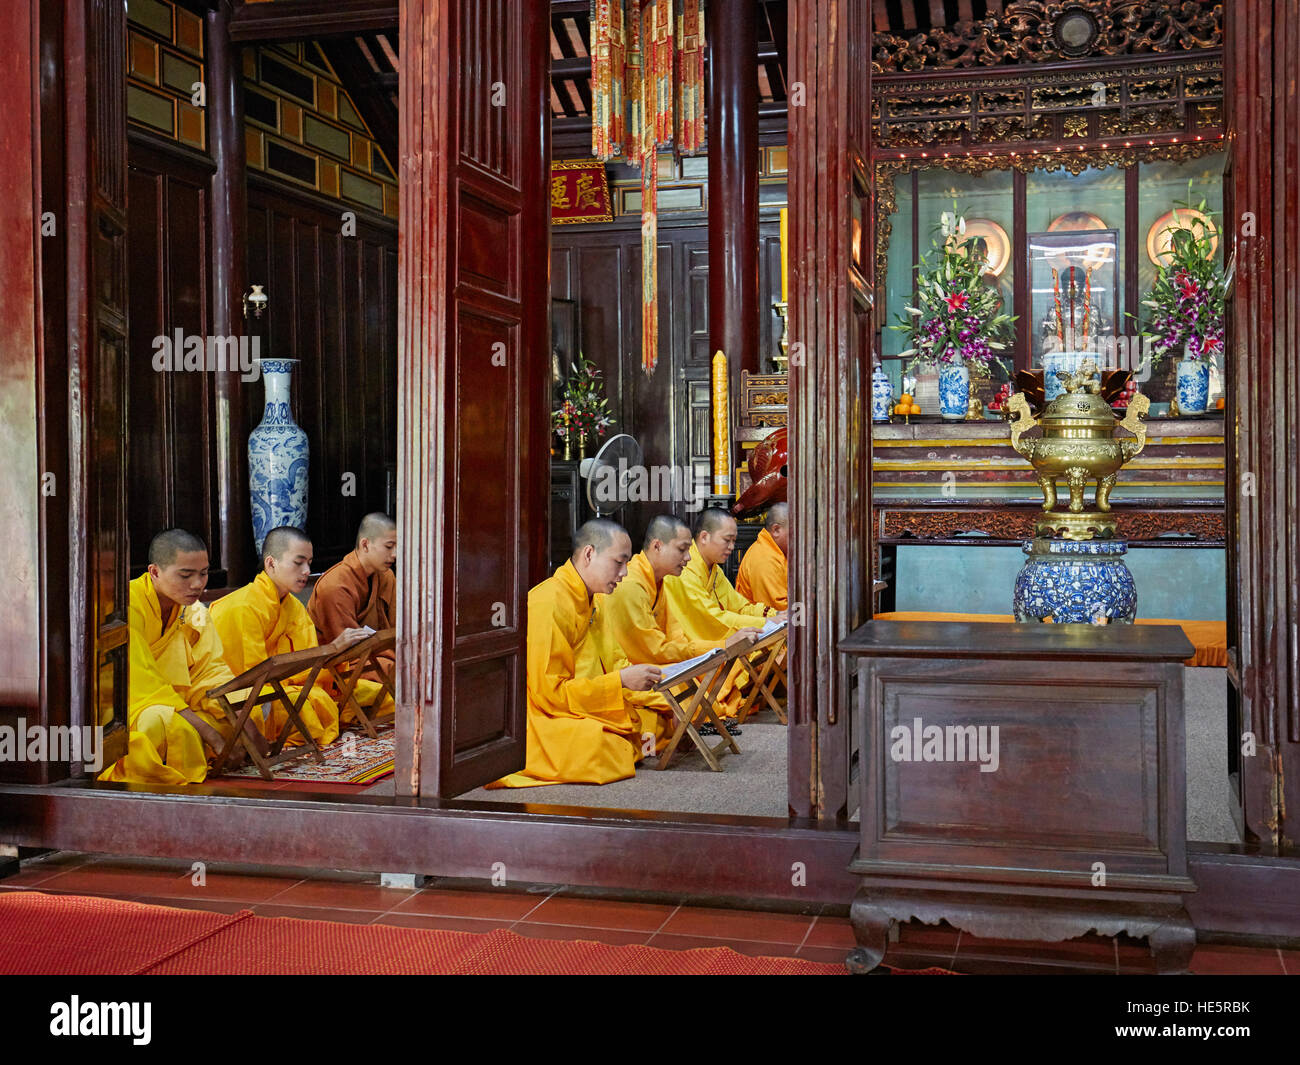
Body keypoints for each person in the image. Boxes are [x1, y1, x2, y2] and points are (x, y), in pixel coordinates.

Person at [488, 519, 673, 789]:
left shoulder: (596, 598)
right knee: (600, 744)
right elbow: (549, 693)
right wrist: (620, 681)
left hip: (588, 701)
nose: (624, 573)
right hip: (543, 713)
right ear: (589, 554)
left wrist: (656, 692)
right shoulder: (550, 601)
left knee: (656, 720)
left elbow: (615, 661)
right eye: (618, 562)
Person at [98, 529, 264, 784]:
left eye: (204, 573)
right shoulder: (126, 607)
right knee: (160, 723)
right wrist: (211, 735)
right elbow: (146, 687)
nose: (197, 584)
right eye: (185, 575)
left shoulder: (193, 611)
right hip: (126, 708)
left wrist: (245, 722)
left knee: (241, 711)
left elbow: (211, 671)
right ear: (154, 572)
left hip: (181, 702)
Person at [210, 526, 374, 748]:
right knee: (308, 703)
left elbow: (306, 665)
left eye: (309, 562)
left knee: (363, 691)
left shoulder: (294, 607)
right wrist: (331, 649)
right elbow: (250, 676)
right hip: (246, 694)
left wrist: (336, 653)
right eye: (298, 562)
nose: (307, 570)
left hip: (286, 686)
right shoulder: (241, 607)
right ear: (271, 563)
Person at [662, 508, 787, 730]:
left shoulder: (713, 569)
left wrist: (770, 615)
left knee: (770, 640)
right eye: (727, 541)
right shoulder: (687, 571)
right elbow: (710, 618)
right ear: (704, 537)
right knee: (756, 643)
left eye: (733, 541)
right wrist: (764, 624)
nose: (731, 547)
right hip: (693, 641)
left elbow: (736, 604)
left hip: (713, 629)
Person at [307, 512, 397, 716]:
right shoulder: (335, 585)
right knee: (398, 671)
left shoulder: (386, 577)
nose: (395, 555)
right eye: (389, 547)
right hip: (339, 664)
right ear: (365, 544)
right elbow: (346, 649)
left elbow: (395, 627)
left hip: (377, 653)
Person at [736, 502, 789, 612]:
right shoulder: (765, 559)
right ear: (776, 530)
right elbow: (781, 612)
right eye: (796, 532)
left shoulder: (777, 552)